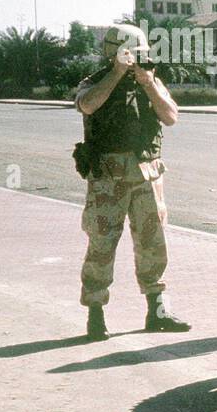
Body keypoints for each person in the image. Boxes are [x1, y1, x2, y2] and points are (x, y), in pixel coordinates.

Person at [74, 24, 191, 340]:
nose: (134, 59)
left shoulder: (149, 79)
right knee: (101, 244)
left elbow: (170, 116)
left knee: (153, 244)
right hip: (107, 177)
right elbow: (87, 104)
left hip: (146, 175)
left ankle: (157, 309)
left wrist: (149, 84)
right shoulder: (95, 82)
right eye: (128, 53)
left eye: (138, 53)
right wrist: (115, 75)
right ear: (112, 52)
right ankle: (96, 315)